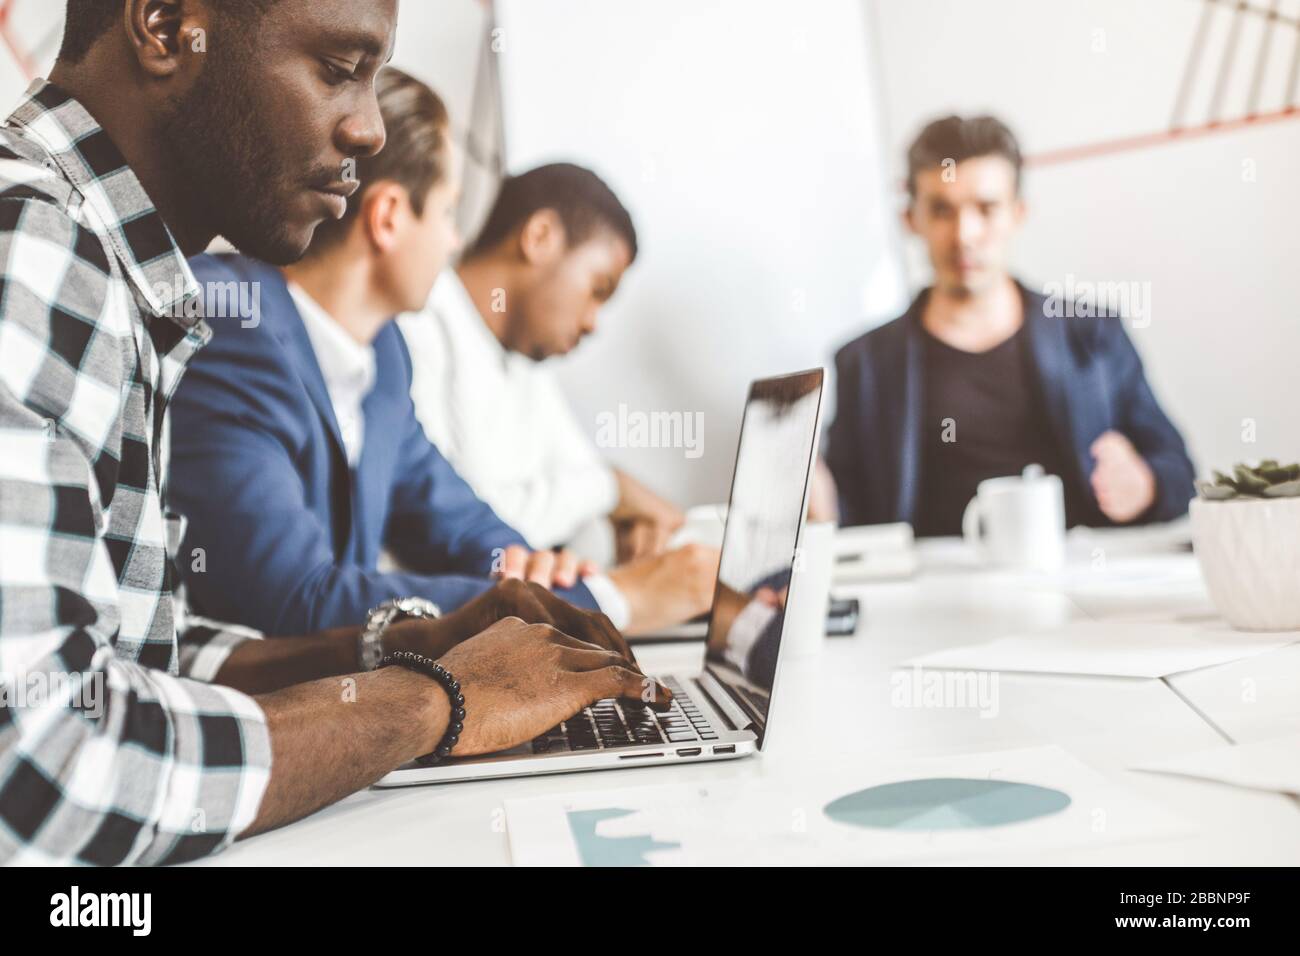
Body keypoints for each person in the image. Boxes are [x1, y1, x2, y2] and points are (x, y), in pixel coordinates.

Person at [0, 0, 665, 866]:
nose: (370, 130)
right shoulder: (36, 246)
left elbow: (134, 658)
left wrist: (402, 640)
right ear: (163, 27)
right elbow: (48, 762)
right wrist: (432, 697)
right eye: (338, 69)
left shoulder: (122, 274)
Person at [170, 69, 717, 638]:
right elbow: (293, 601)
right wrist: (607, 600)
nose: (455, 242)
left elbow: (450, 518)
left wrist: (522, 568)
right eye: (448, 212)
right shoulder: (231, 324)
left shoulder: (382, 355)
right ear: (387, 219)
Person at [824, 115, 1196, 535]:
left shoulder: (1090, 333)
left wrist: (1145, 485)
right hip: (931, 591)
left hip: (1082, 575)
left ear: (1018, 213)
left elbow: (1180, 471)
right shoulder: (865, 363)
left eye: (986, 208)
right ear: (910, 219)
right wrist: (820, 503)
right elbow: (850, 512)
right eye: (942, 210)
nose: (965, 234)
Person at [398, 163, 686, 563]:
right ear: (539, 237)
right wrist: (611, 489)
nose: (592, 322)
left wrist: (628, 520)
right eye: (597, 289)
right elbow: (469, 528)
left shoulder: (524, 364)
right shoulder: (416, 326)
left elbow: (586, 482)